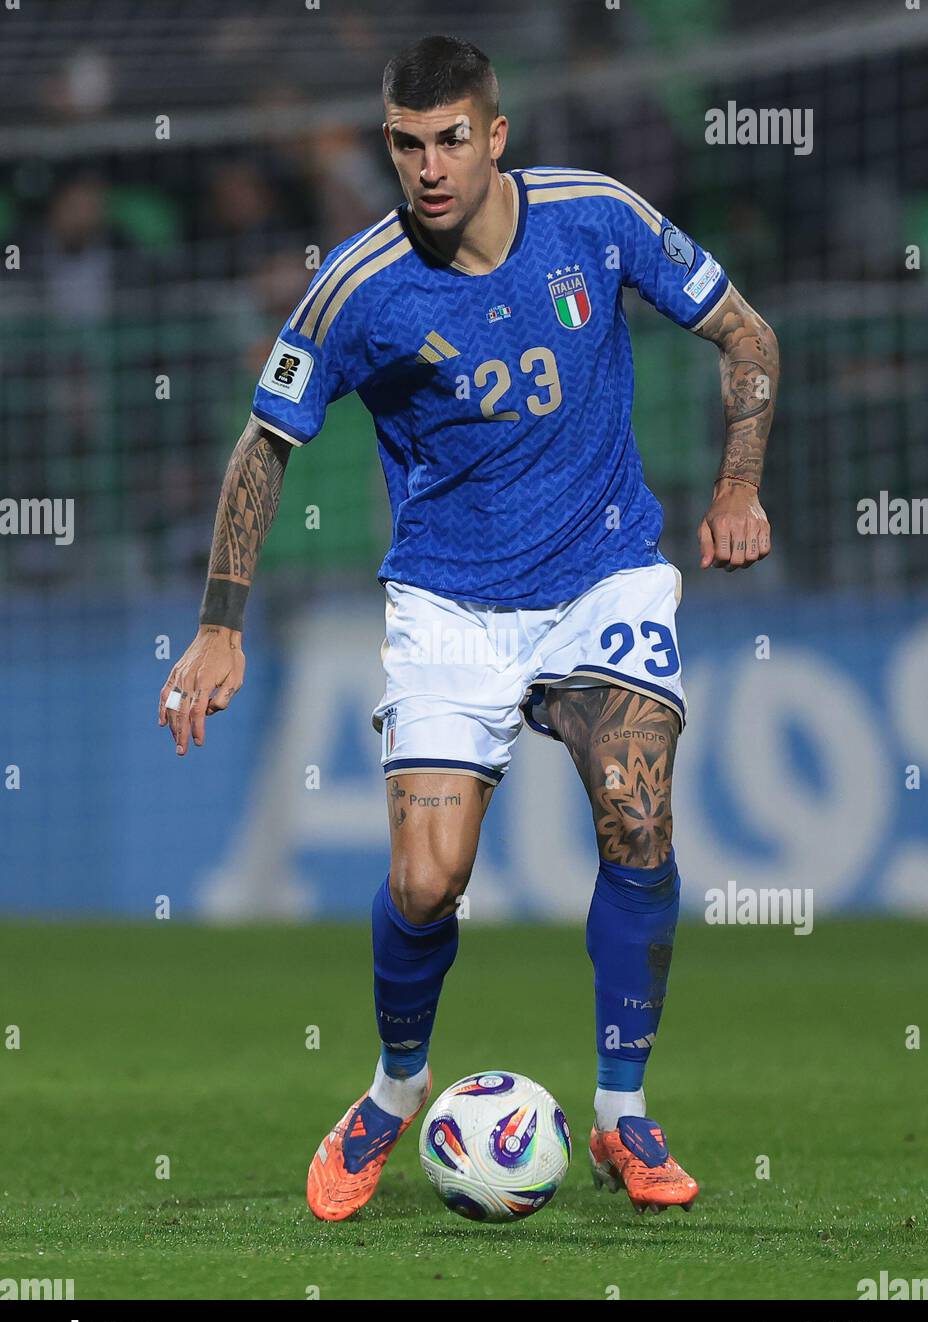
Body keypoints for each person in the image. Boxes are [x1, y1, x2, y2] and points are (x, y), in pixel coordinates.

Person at [159, 35, 778, 1222]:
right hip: (449, 604)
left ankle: (620, 1114)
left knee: (634, 807)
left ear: (495, 136)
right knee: (427, 881)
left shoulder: (595, 217)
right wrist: (220, 625)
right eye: (406, 143)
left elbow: (747, 335)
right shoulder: (358, 286)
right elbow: (263, 443)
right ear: (385, 144)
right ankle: (396, 1091)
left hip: (602, 575)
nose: (429, 167)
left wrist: (738, 486)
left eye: (451, 139)